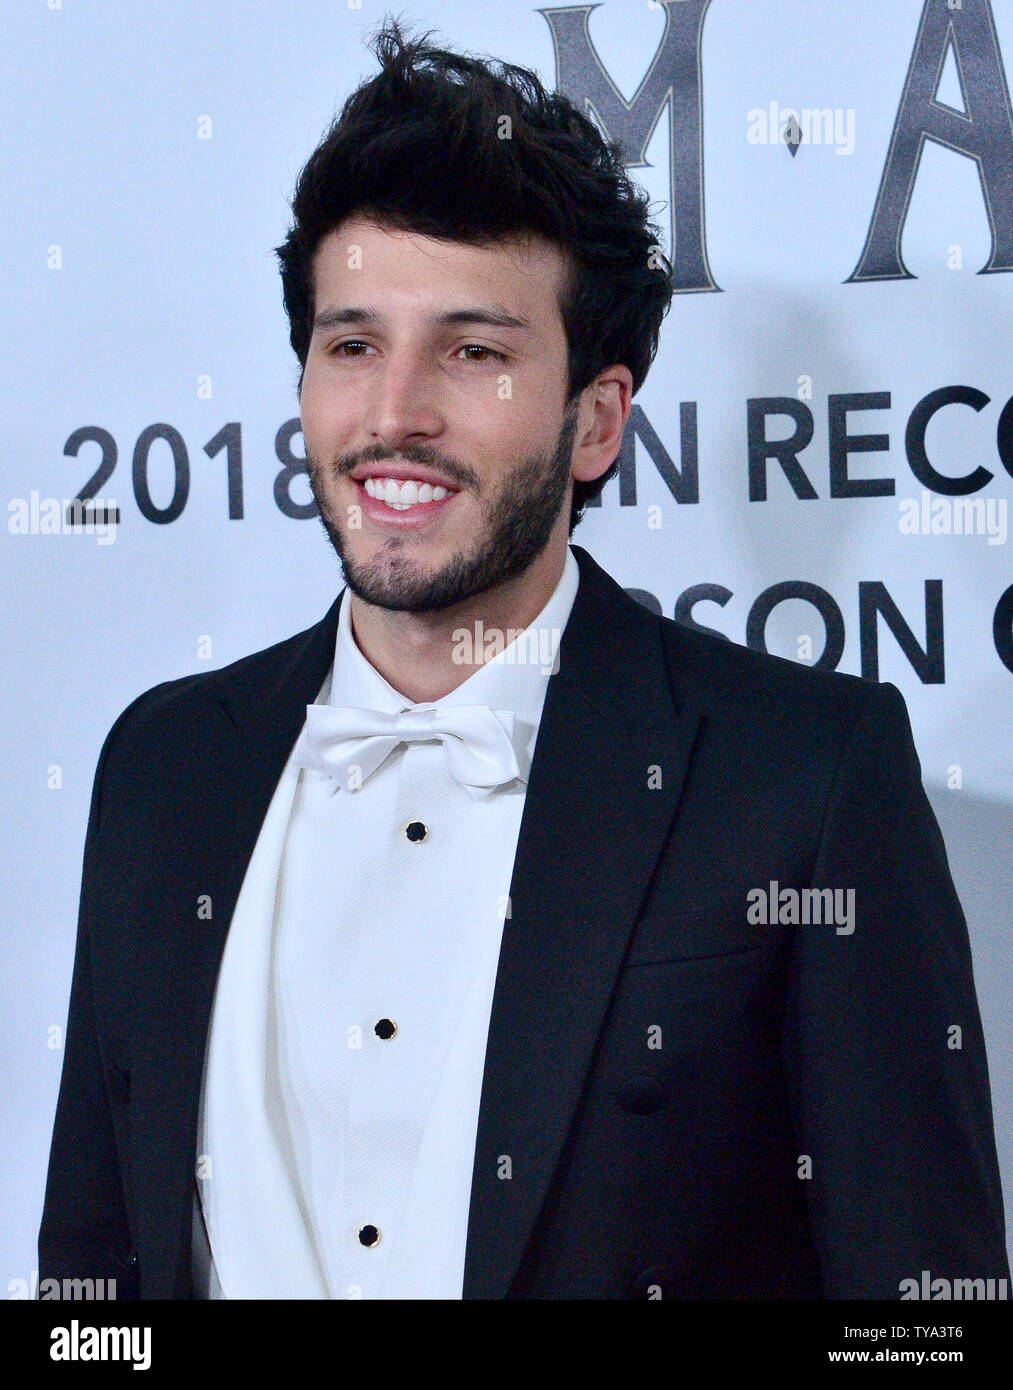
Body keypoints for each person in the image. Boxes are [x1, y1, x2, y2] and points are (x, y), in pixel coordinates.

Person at [39, 18, 1008, 1300]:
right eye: (352, 345)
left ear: (595, 419)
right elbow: (89, 1292)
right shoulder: (162, 765)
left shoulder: (805, 776)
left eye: (473, 351)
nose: (394, 414)